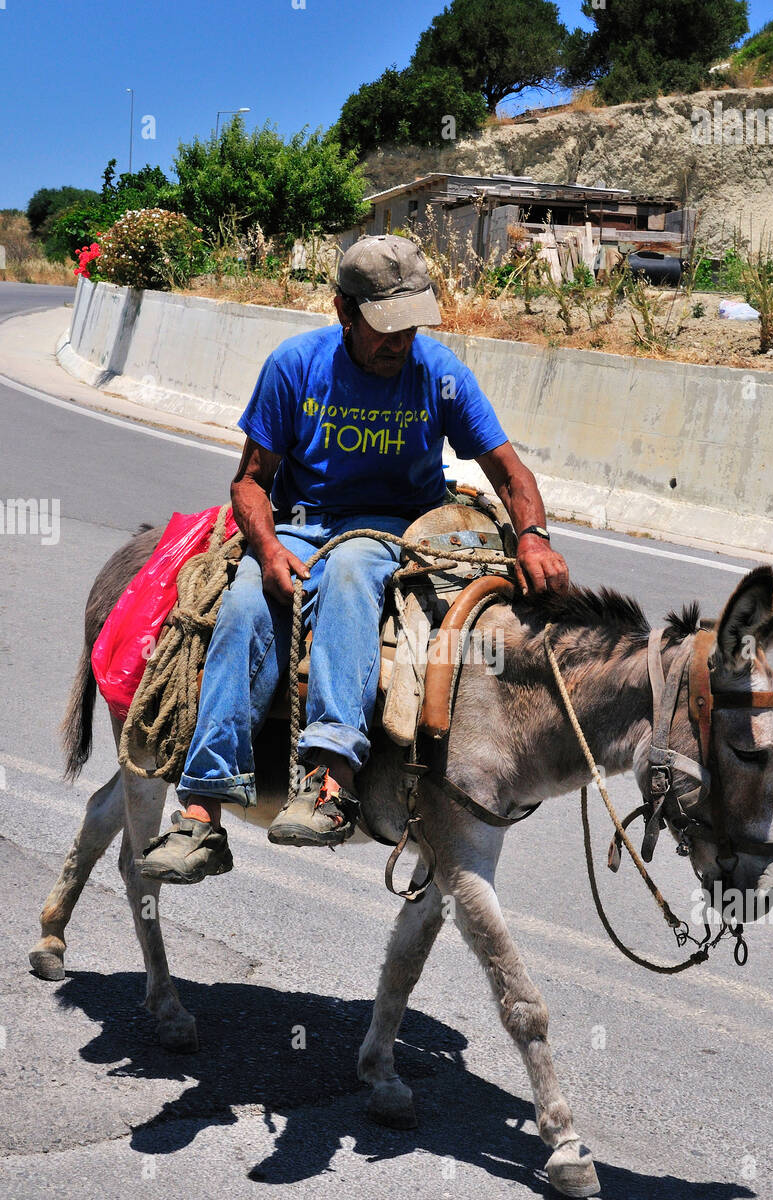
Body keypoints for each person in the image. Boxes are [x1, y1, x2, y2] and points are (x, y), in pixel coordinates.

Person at [138, 234, 569, 884]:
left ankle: (330, 781)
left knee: (348, 575)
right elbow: (250, 482)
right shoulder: (294, 366)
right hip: (301, 528)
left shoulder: (440, 373)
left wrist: (533, 534)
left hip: (399, 531)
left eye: (409, 326)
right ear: (343, 311)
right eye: (384, 327)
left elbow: (508, 473)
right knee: (245, 604)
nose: (399, 342)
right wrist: (269, 548)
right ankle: (201, 812)